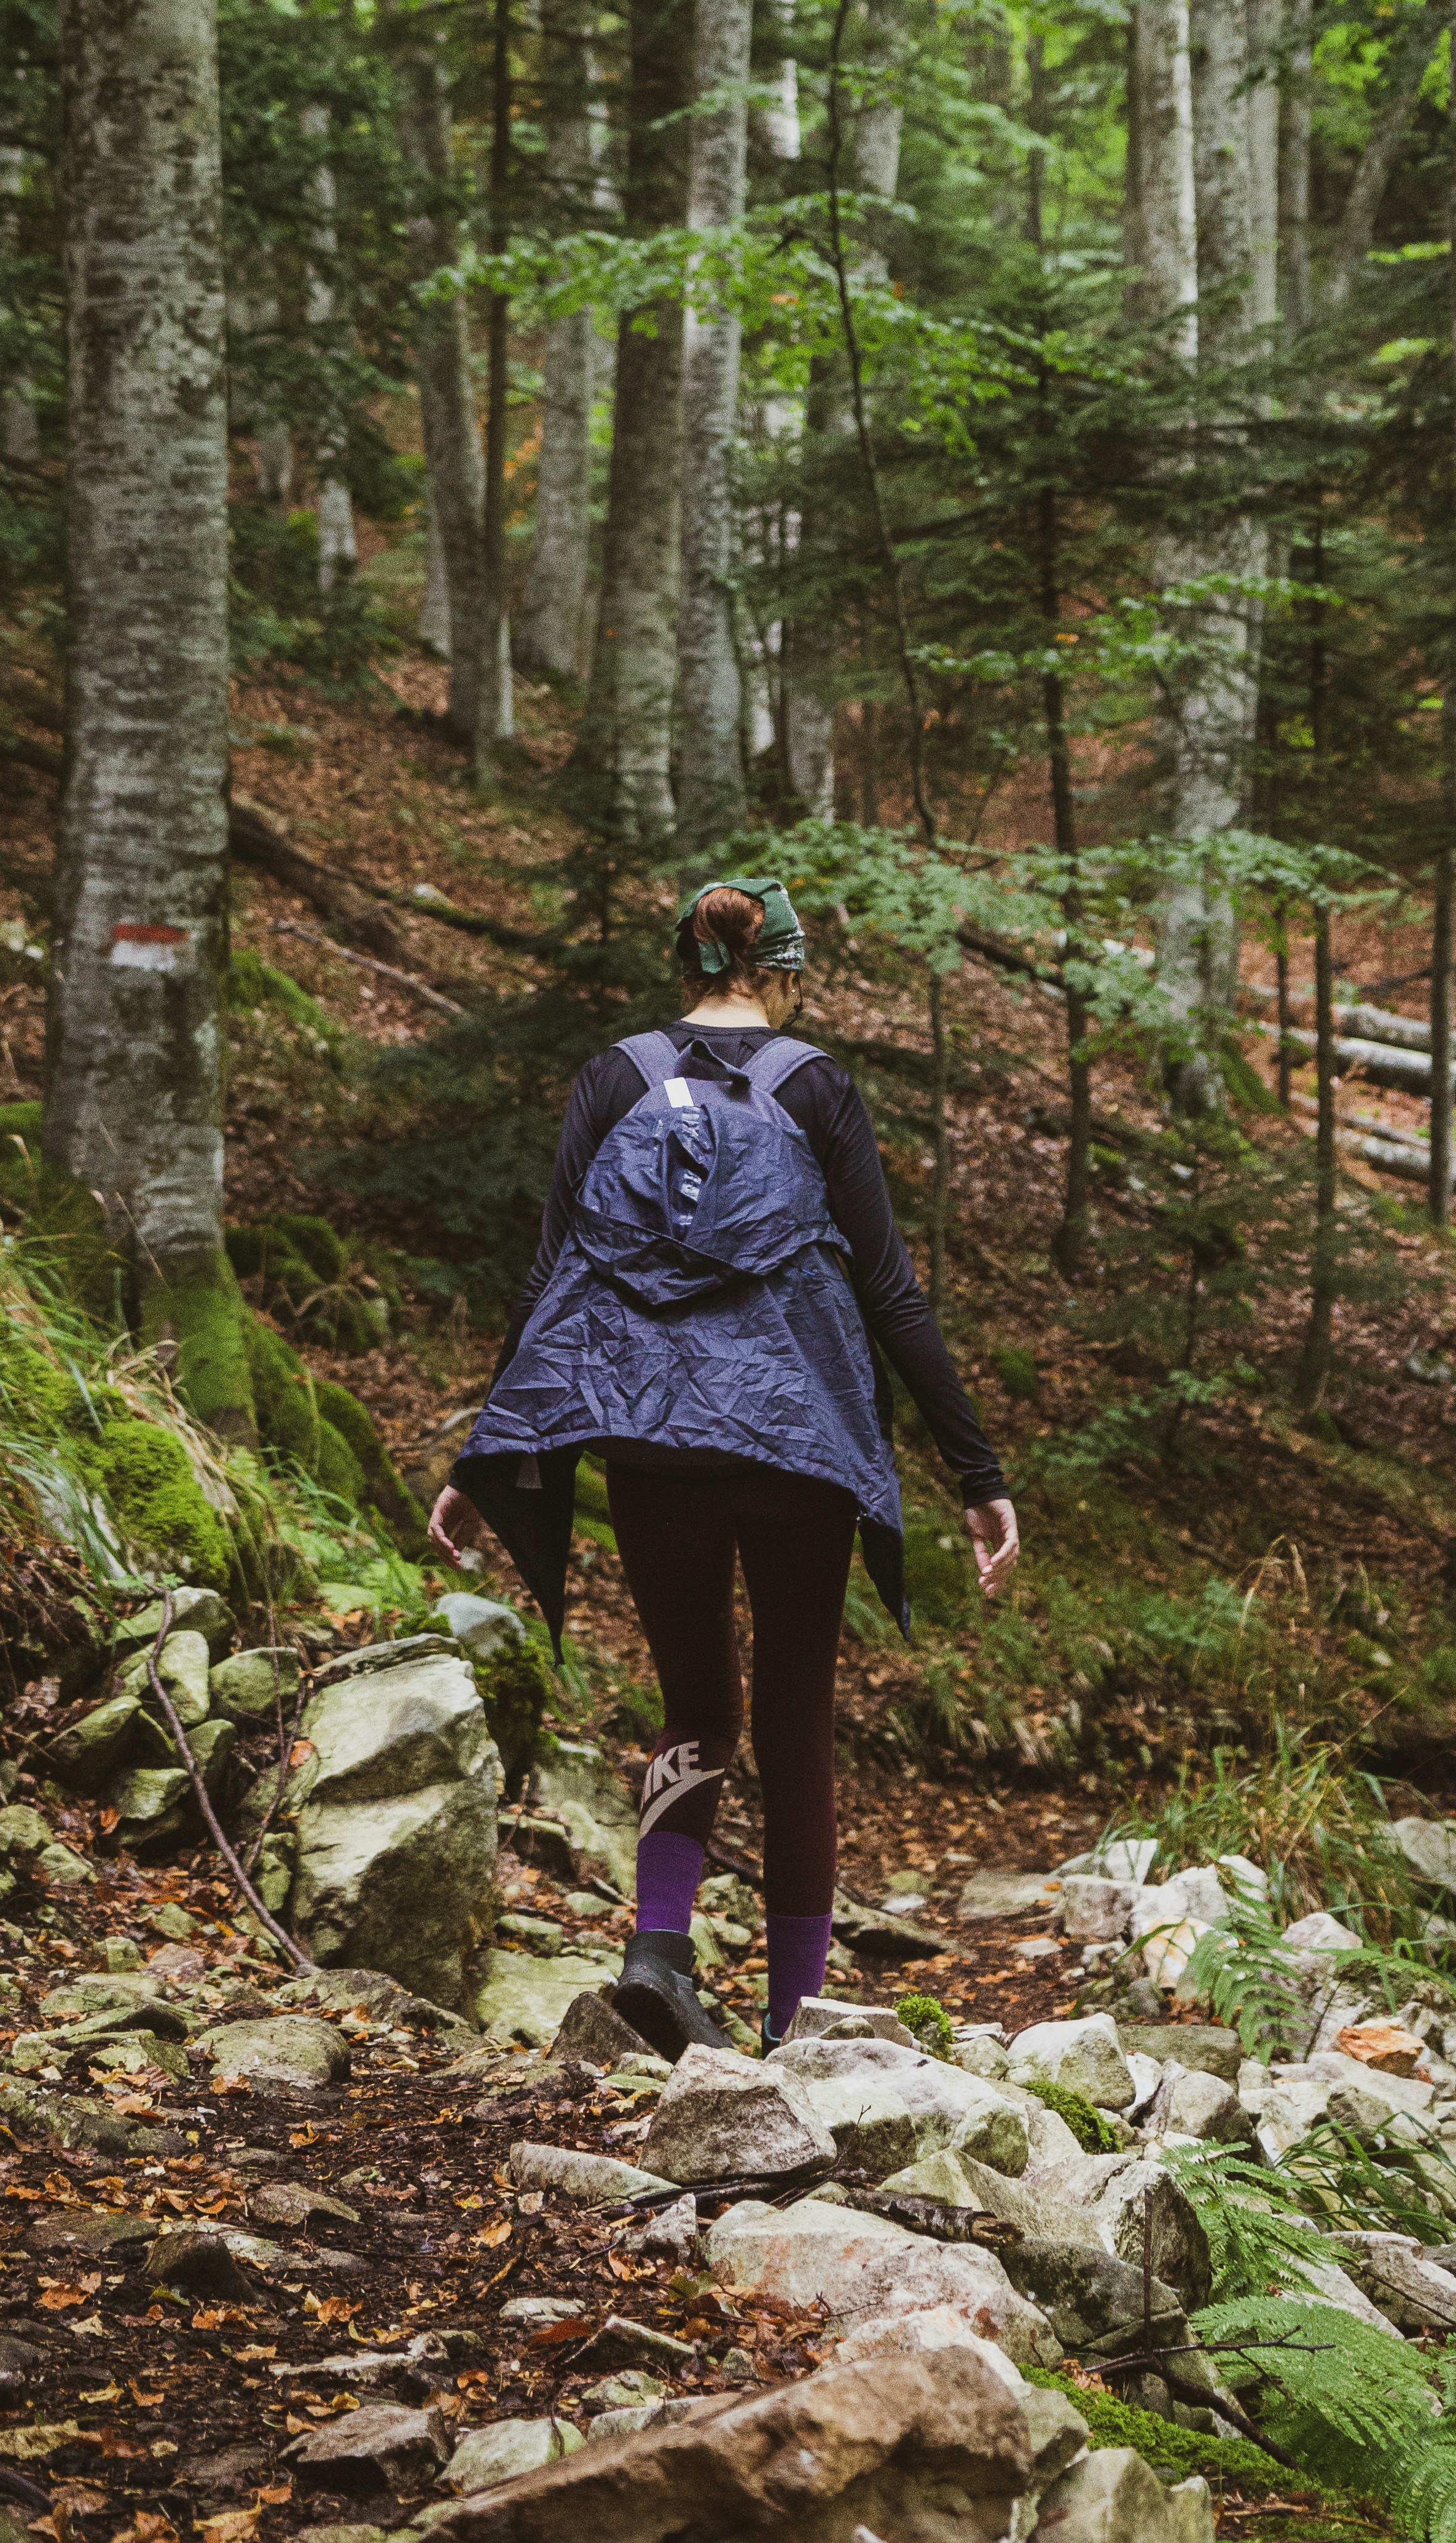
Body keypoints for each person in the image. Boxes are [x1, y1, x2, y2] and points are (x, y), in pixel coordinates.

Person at [428, 876, 1021, 2060]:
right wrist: (977, 1472)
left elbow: (554, 1277)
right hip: (799, 1443)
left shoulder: (614, 1076)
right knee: (797, 1719)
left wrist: (483, 1452)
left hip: (653, 1438)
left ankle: (659, 1948)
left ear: (685, 968)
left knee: (697, 1702)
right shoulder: (818, 1087)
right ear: (784, 976)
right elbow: (889, 1292)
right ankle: (793, 2025)